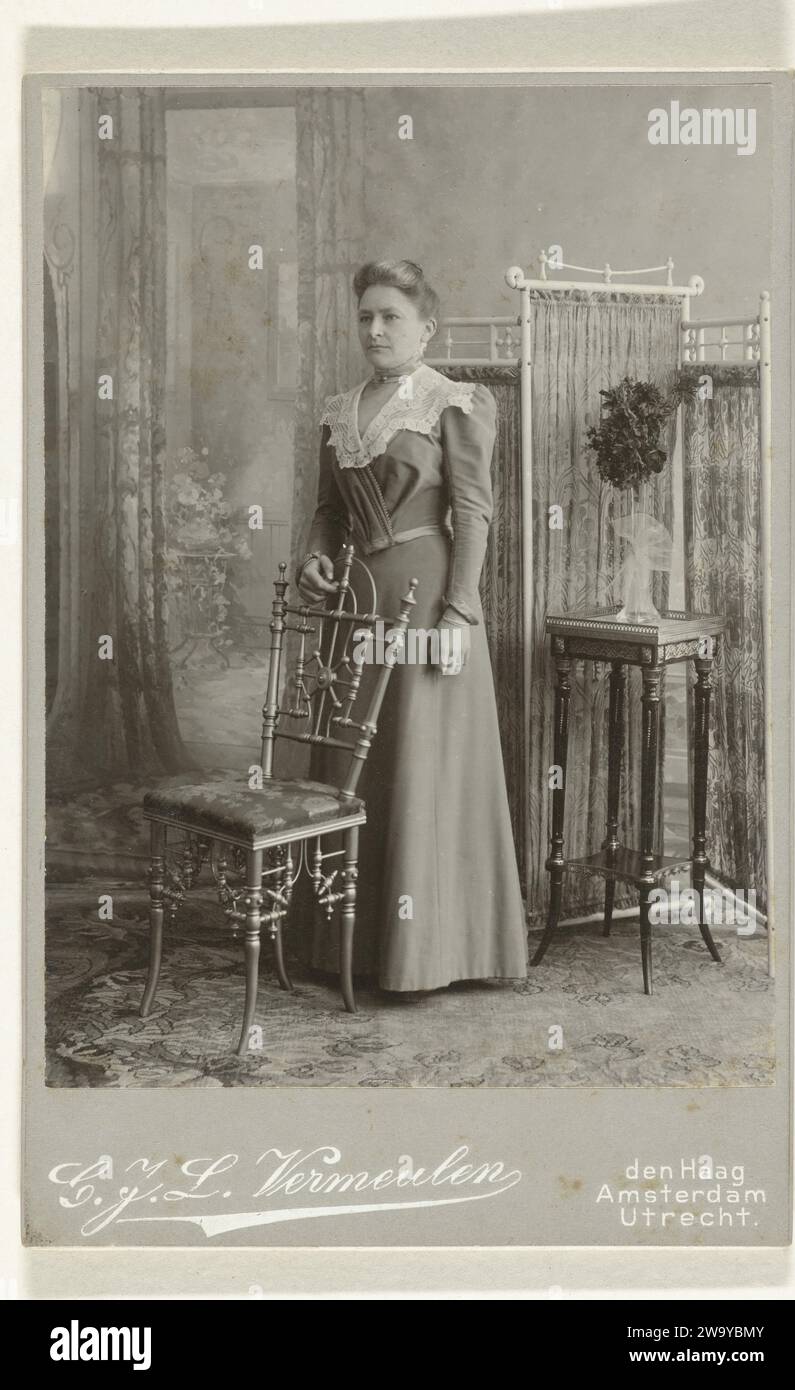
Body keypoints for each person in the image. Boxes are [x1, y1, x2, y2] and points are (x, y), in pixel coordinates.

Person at [297, 258, 527, 992]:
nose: (375, 329)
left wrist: (461, 611)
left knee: (418, 765)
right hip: (351, 606)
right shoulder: (339, 408)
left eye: (391, 316)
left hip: (426, 603)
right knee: (353, 764)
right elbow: (330, 512)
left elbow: (475, 512)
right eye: (366, 315)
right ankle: (342, 947)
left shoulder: (451, 401)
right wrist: (313, 559)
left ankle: (423, 956)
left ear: (427, 328)